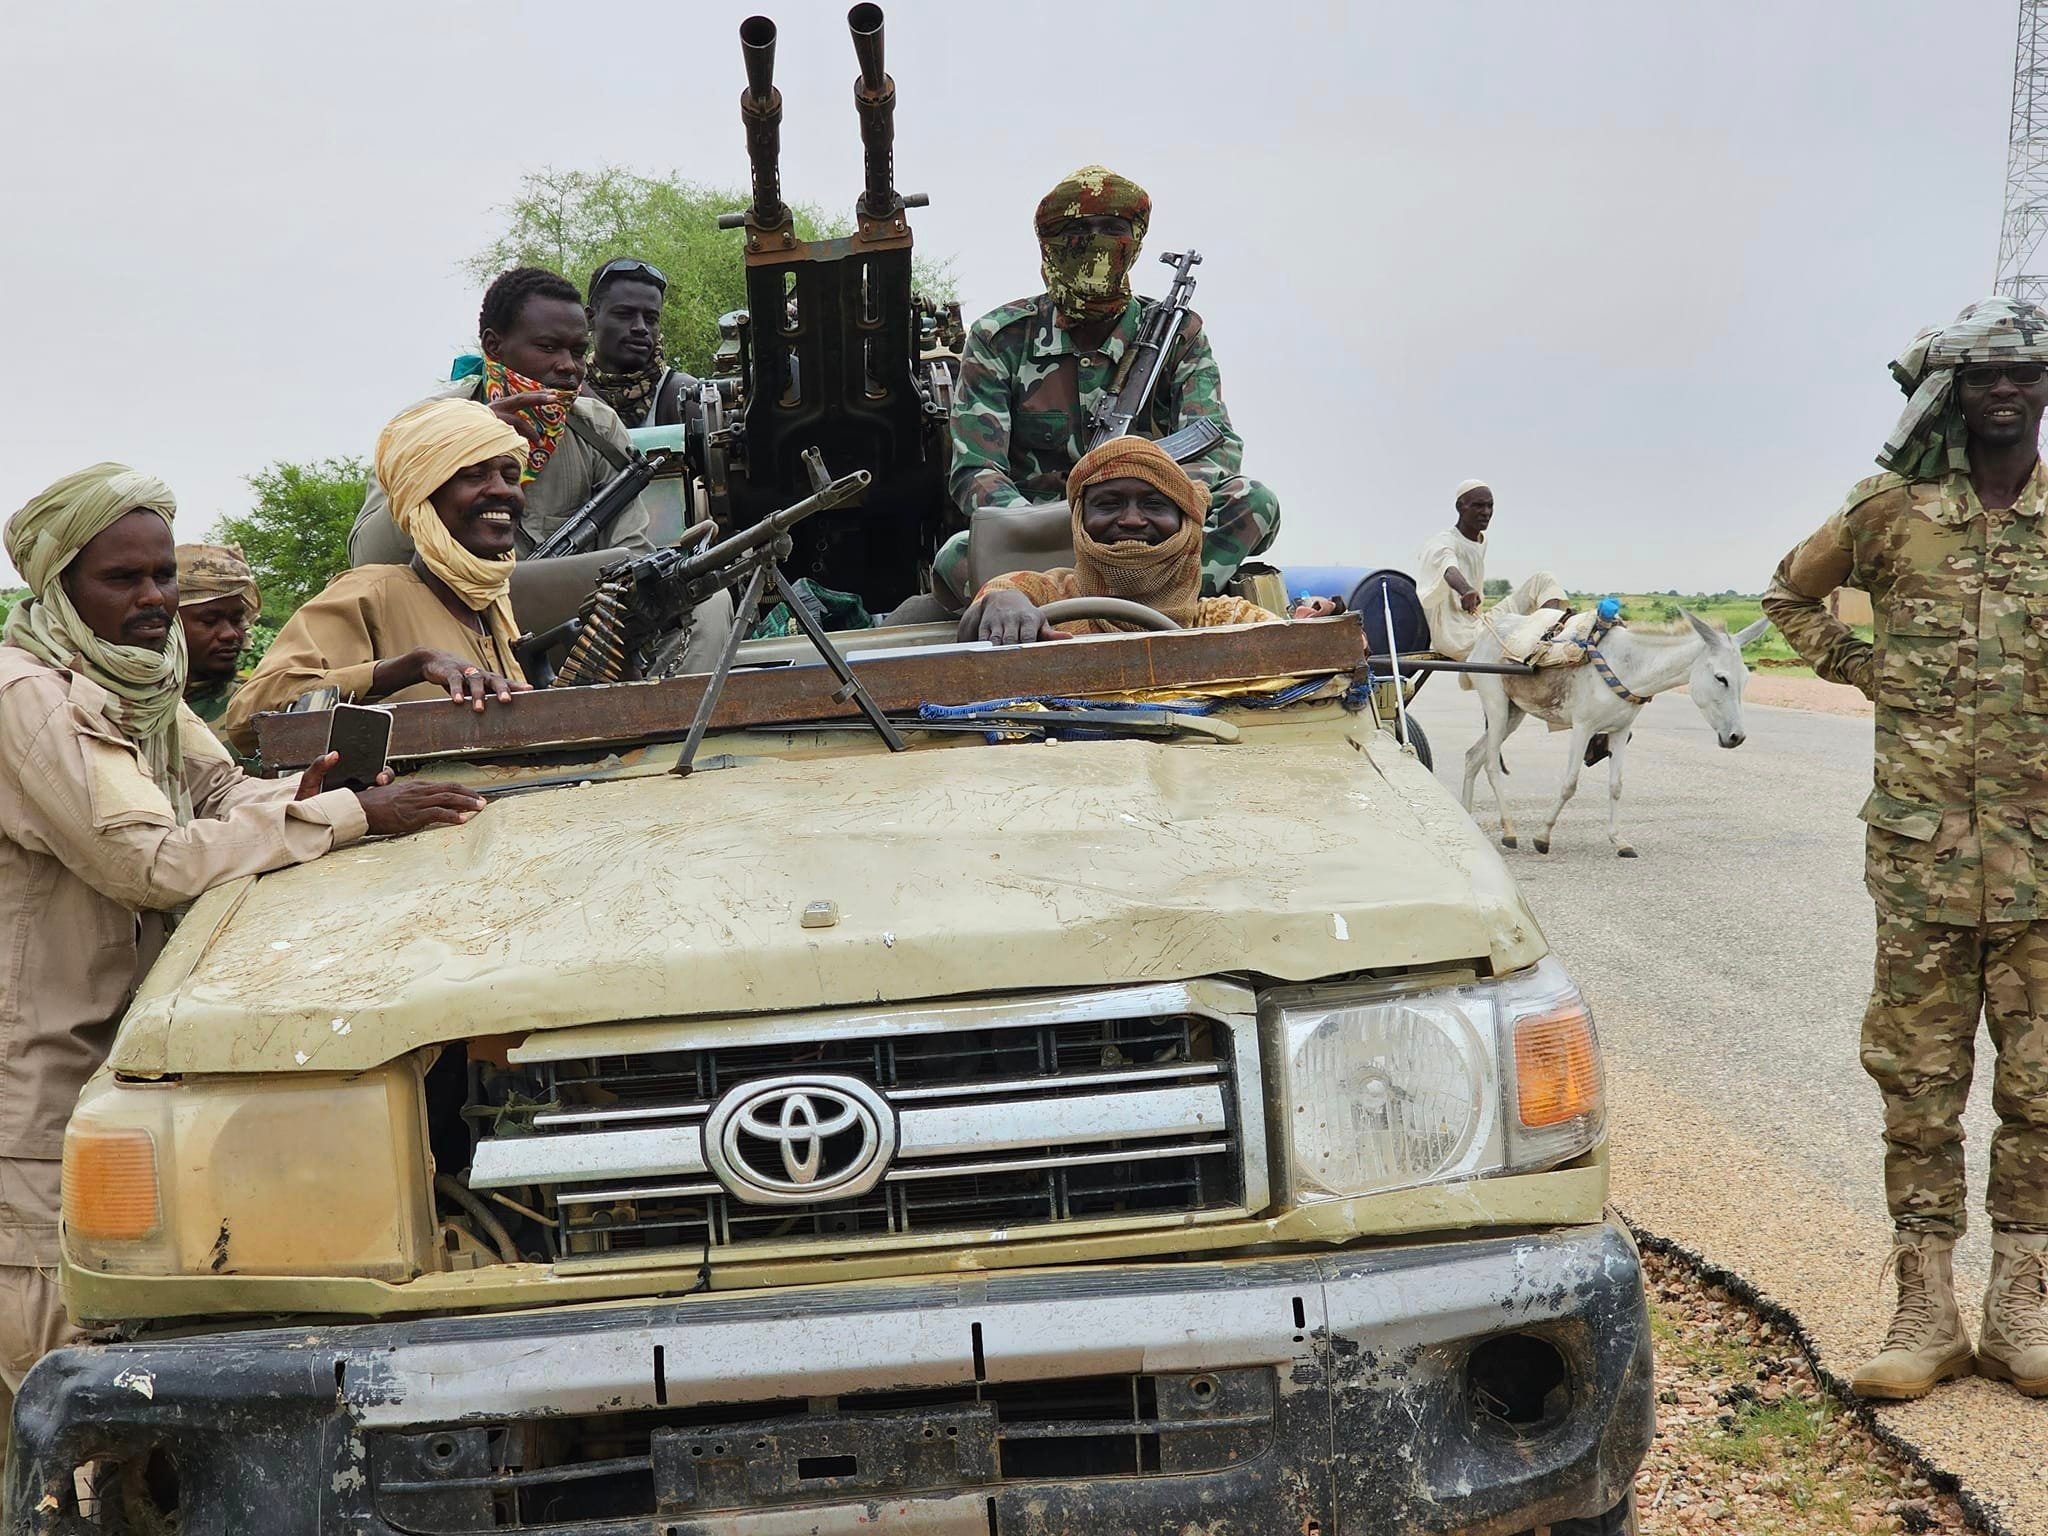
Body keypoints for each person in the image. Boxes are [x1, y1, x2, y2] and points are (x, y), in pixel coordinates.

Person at [0, 464, 486, 1455]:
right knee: (50, 1356)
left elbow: (225, 801)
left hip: (124, 1059)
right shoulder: (33, 700)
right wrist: (351, 814)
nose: (151, 601)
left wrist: (309, 793)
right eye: (121, 579)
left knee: (129, 1333)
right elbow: (144, 860)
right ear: (58, 585)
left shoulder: (137, 683)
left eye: (162, 575)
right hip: (33, 1078)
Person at [1763, 295, 2048, 1402]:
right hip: (1921, 871)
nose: (2005, 392)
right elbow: (1786, 596)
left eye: (2023, 374)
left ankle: (2018, 1305)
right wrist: (1868, 671)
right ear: (1952, 391)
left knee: (2038, 1096)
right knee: (1917, 1089)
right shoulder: (1886, 511)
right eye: (1983, 376)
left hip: (2041, 871)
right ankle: (1922, 1308)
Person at [921, 166, 1279, 618]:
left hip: (1154, 533)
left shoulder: (1176, 335)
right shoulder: (1001, 338)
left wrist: (1156, 501)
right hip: (1047, 537)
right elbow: (976, 471)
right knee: (958, 555)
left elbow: (1216, 449)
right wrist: (1060, 523)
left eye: (1113, 229)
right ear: (1050, 245)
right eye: (1078, 230)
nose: (1097, 243)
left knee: (1254, 502)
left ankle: (1150, 600)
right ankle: (1097, 602)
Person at [223, 400, 535, 755]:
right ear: (423, 494)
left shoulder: (496, 605)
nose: (503, 490)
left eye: (511, 477)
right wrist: (410, 667)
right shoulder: (369, 593)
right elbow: (248, 717)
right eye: (474, 475)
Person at [349, 266, 657, 563]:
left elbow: (631, 552)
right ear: (493, 346)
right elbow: (368, 560)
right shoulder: (422, 427)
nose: (568, 366)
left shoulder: (597, 429)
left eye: (577, 352)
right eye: (548, 347)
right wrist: (464, 442)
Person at [958, 437, 1276, 644]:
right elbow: (1001, 595)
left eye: (1154, 505)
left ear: (1186, 523)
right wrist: (999, 605)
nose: (1132, 521)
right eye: (1108, 505)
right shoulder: (1044, 595)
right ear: (1079, 521)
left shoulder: (1225, 619)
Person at [1416, 480, 1569, 661]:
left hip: (1480, 623)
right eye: (1478, 506)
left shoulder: (1481, 540)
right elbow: (1448, 568)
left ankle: (1546, 636)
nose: (1486, 512)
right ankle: (1539, 644)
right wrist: (1466, 590)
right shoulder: (1442, 542)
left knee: (1544, 580)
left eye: (1490, 506)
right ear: (1460, 507)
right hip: (1457, 636)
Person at [584, 257, 699, 428]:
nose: (640, 327)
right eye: (624, 314)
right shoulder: (567, 393)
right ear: (590, 319)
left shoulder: (684, 395)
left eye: (651, 319)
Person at [176, 541, 260, 746]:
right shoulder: (127, 706)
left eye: (236, 620)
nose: (230, 634)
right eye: (210, 621)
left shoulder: (252, 706)